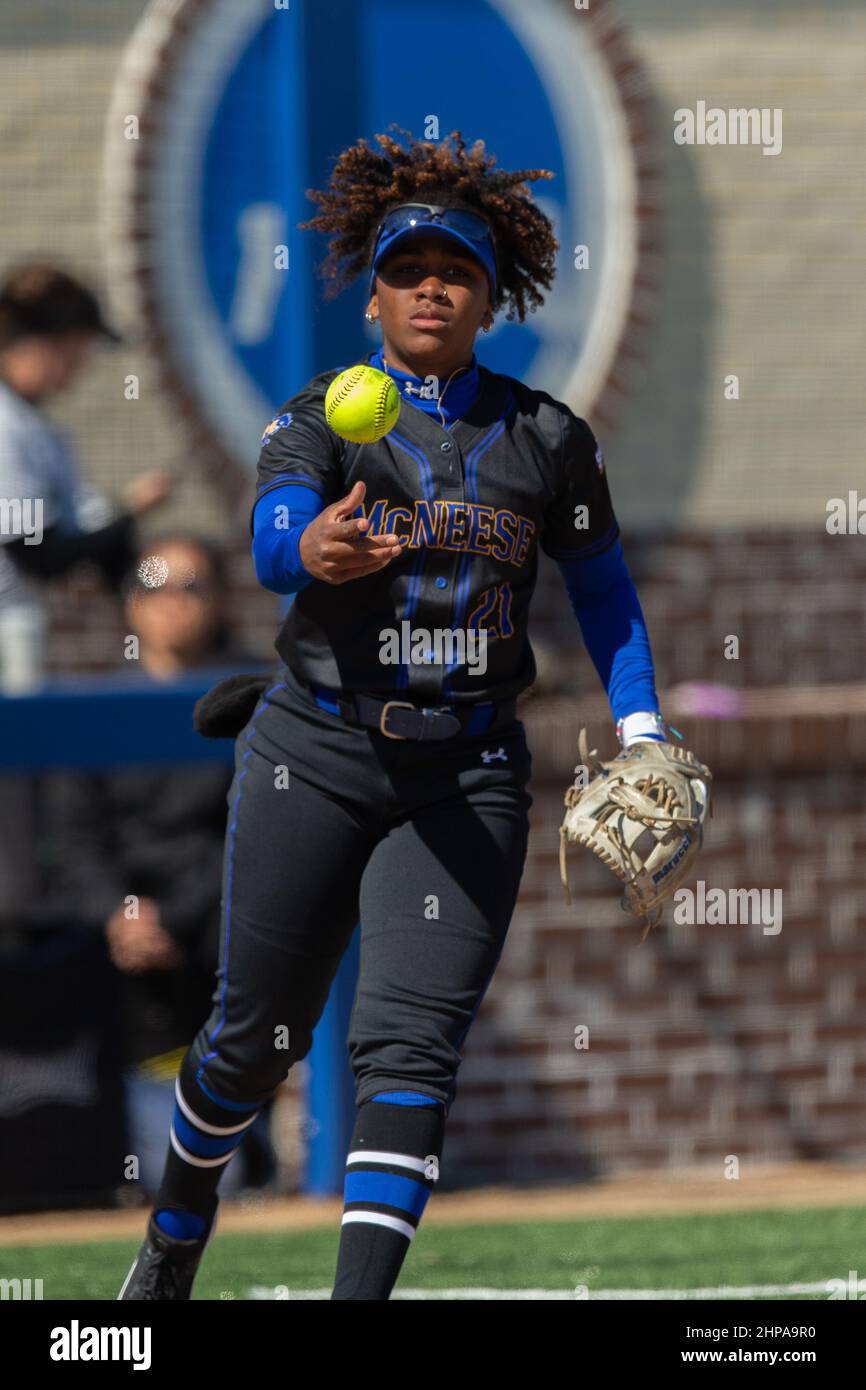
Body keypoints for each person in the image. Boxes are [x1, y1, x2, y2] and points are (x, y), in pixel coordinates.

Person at [118, 128, 670, 1301]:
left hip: (463, 770)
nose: (431, 284)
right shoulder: (322, 416)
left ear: (491, 298)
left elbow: (605, 594)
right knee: (249, 1041)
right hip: (314, 751)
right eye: (408, 266)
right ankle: (173, 1235)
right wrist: (308, 546)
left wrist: (644, 731)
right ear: (372, 295)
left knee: (408, 1050)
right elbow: (274, 530)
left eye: (456, 270)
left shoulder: (546, 439)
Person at [42, 535, 275, 1200]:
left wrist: (172, 915)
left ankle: (253, 1169)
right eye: (153, 585)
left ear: (222, 598)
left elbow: (254, 832)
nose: (171, 602)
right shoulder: (97, 703)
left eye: (191, 586)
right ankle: (143, 1178)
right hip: (120, 937)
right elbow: (75, 835)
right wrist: (121, 914)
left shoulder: (255, 697)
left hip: (223, 923)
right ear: (129, 604)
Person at [0, 262, 173, 693]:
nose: (82, 367)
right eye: (79, 349)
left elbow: (78, 538)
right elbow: (38, 554)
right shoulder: (6, 424)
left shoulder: (33, 425)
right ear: (46, 343)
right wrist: (129, 513)